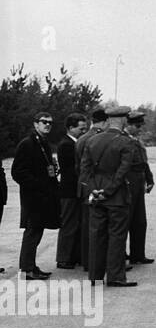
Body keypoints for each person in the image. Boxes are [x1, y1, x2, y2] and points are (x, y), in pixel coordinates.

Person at [80, 106, 136, 287]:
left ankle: (95, 276)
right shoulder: (126, 142)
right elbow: (122, 171)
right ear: (123, 120)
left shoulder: (92, 140)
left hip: (96, 196)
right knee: (117, 237)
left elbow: (85, 171)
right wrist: (109, 191)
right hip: (116, 197)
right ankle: (115, 276)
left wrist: (93, 190)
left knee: (96, 236)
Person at [11, 112, 61, 279]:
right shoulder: (27, 144)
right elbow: (17, 172)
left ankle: (31, 266)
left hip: (42, 197)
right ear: (35, 124)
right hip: (33, 197)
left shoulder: (43, 143)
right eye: (44, 122)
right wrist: (38, 185)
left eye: (50, 123)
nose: (47, 125)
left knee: (37, 231)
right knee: (32, 232)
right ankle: (26, 270)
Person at [55, 112, 89, 269]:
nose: (84, 131)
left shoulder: (73, 143)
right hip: (69, 190)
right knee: (68, 224)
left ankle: (73, 256)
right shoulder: (66, 145)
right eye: (81, 128)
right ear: (70, 128)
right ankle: (63, 258)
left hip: (74, 189)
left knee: (76, 223)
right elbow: (71, 170)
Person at [76, 107, 106, 270]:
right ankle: (93, 263)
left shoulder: (82, 138)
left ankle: (87, 262)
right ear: (105, 121)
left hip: (84, 186)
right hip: (94, 187)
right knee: (94, 228)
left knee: (87, 226)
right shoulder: (96, 138)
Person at [124, 110, 155, 266]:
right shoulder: (122, 140)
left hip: (138, 182)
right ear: (128, 125)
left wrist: (149, 179)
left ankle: (138, 254)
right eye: (137, 125)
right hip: (127, 182)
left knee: (139, 221)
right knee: (124, 220)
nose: (139, 128)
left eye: (140, 125)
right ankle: (121, 256)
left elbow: (144, 162)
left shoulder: (136, 140)